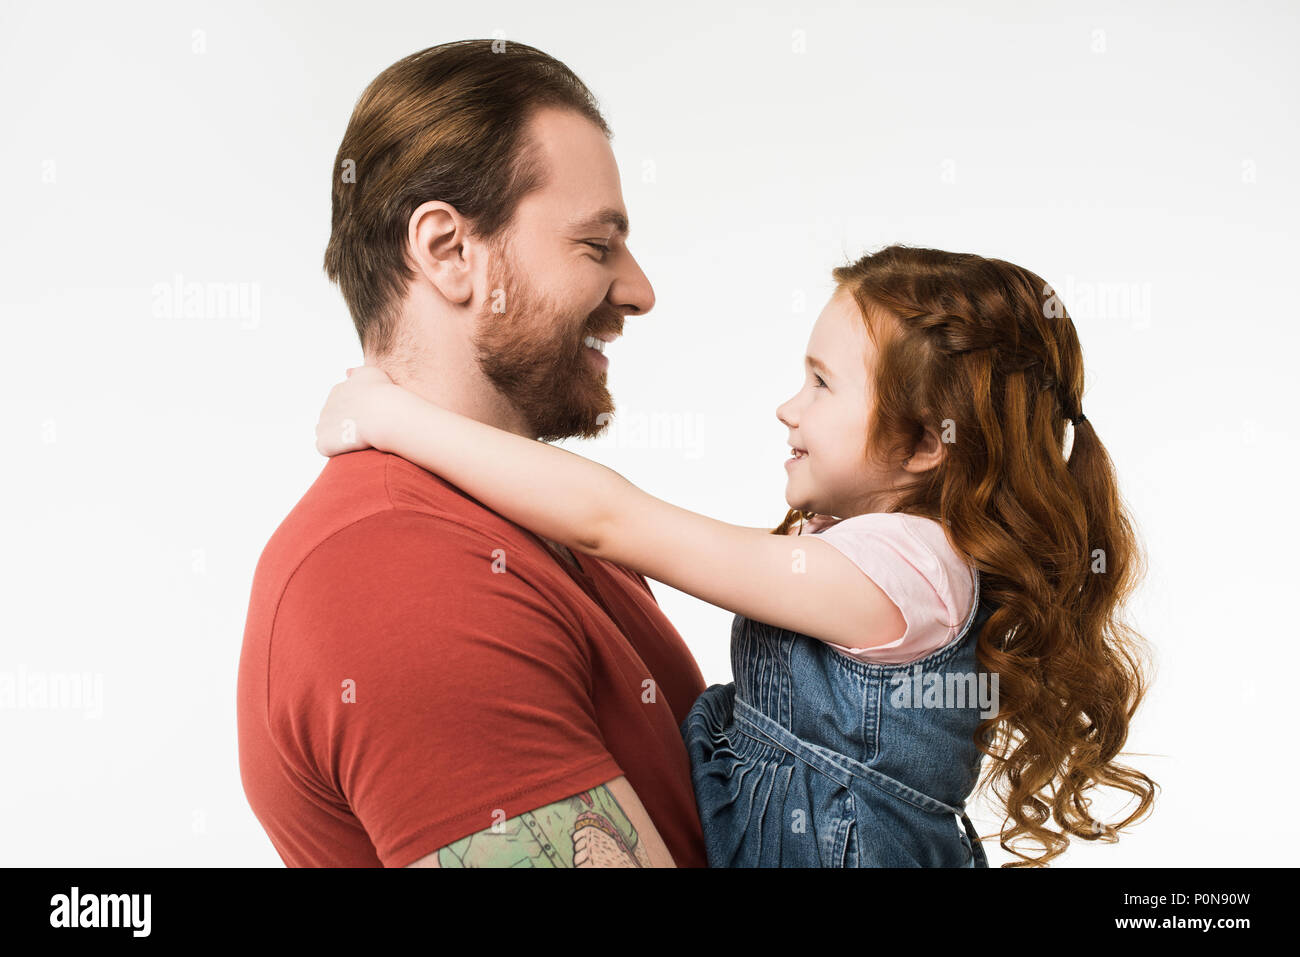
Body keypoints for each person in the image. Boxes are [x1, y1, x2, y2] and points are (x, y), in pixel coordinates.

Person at [314, 245, 1160, 867]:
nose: (788, 408)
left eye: (824, 384)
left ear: (924, 442)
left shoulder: (904, 572)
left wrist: (390, 419)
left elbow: (611, 519)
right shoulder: (870, 550)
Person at [237, 39, 708, 867]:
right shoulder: (401, 575)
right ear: (450, 251)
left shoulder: (537, 517)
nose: (639, 291)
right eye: (596, 246)